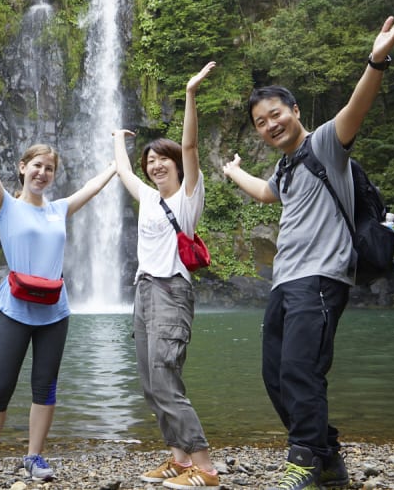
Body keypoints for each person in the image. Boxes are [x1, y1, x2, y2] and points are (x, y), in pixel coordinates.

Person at [222, 9, 394, 490]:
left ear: (295, 111)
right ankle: (327, 458)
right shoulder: (284, 170)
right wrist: (231, 172)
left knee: (302, 369)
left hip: (323, 277)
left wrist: (377, 62)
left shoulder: (326, 144)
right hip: (285, 281)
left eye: (276, 115)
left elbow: (356, 108)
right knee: (276, 375)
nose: (270, 125)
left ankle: (303, 459)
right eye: (261, 122)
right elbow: (266, 194)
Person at [0, 93, 117, 486]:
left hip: (56, 311)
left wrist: (118, 158)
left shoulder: (60, 209)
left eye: (49, 168)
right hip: (15, 309)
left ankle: (34, 457)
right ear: (22, 168)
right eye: (37, 165)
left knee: (45, 386)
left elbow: (94, 187)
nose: (43, 173)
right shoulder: (4, 205)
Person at [111, 61, 220, 490]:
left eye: (162, 160)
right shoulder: (149, 199)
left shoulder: (188, 198)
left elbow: (191, 147)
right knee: (149, 382)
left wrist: (190, 93)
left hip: (172, 290)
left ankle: (206, 468)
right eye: (150, 161)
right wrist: (117, 140)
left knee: (166, 376)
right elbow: (123, 173)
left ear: (176, 164)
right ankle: (177, 459)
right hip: (143, 290)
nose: (155, 166)